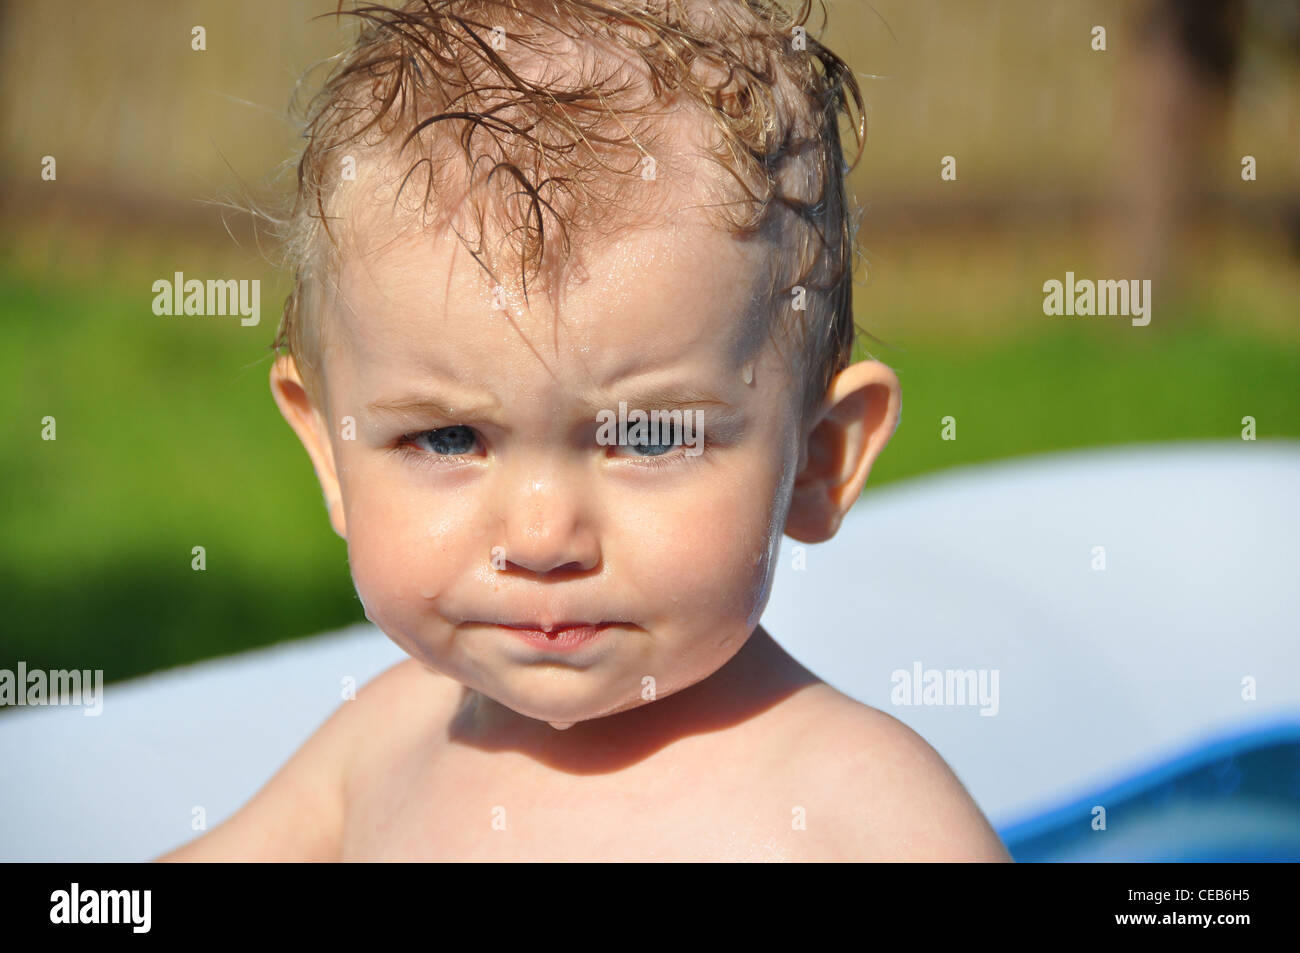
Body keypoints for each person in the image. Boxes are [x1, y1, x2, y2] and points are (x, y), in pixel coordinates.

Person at [158, 0, 1009, 862]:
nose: (538, 537)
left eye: (645, 437)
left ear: (818, 463)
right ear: (331, 453)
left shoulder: (859, 813)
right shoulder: (378, 750)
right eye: (449, 439)